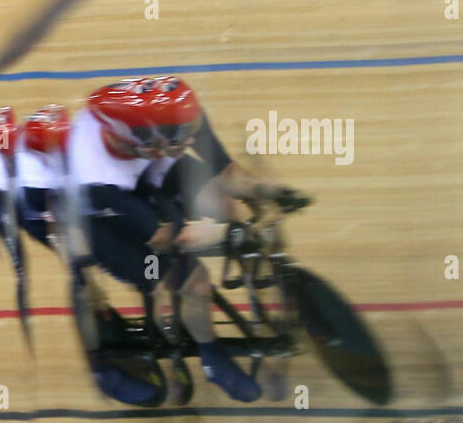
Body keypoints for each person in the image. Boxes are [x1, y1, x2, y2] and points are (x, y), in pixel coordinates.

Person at [70, 75, 299, 402]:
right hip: (105, 221)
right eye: (175, 137)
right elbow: (162, 236)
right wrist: (205, 231)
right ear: (132, 136)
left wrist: (265, 189)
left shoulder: (172, 114)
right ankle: (212, 358)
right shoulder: (98, 174)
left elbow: (225, 171)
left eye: (184, 133)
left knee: (226, 204)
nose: (185, 141)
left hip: (145, 175)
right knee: (191, 283)